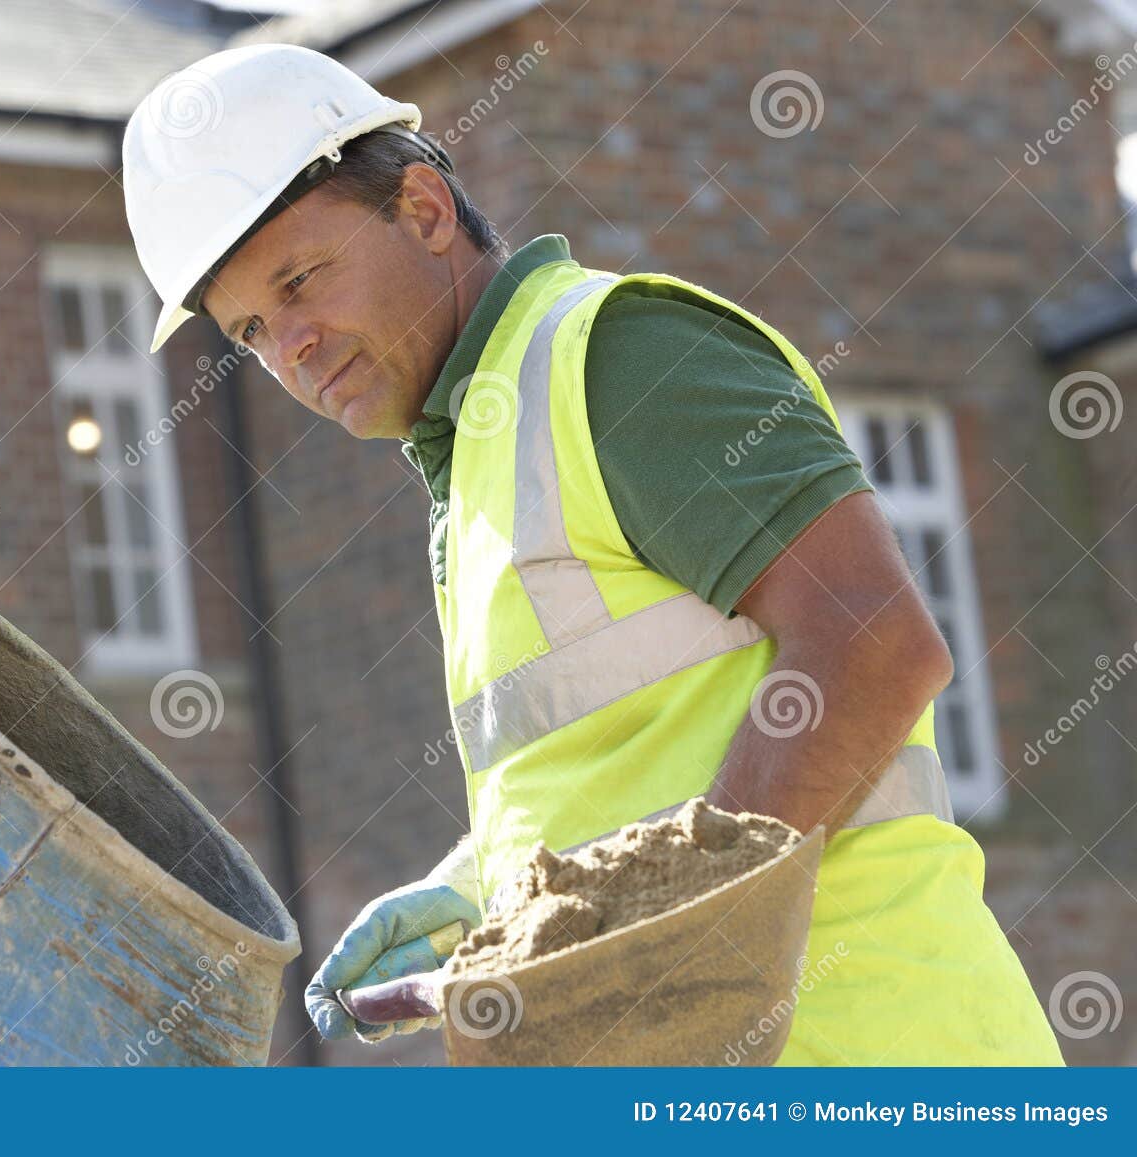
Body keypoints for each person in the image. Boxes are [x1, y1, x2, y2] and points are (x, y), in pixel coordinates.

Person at [122, 43, 1063, 1064]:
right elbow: (633, 746)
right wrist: (483, 887)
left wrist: (666, 948)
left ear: (426, 211)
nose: (290, 345)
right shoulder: (479, 453)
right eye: (253, 326)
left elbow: (876, 645)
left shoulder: (616, 356)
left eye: (302, 279)